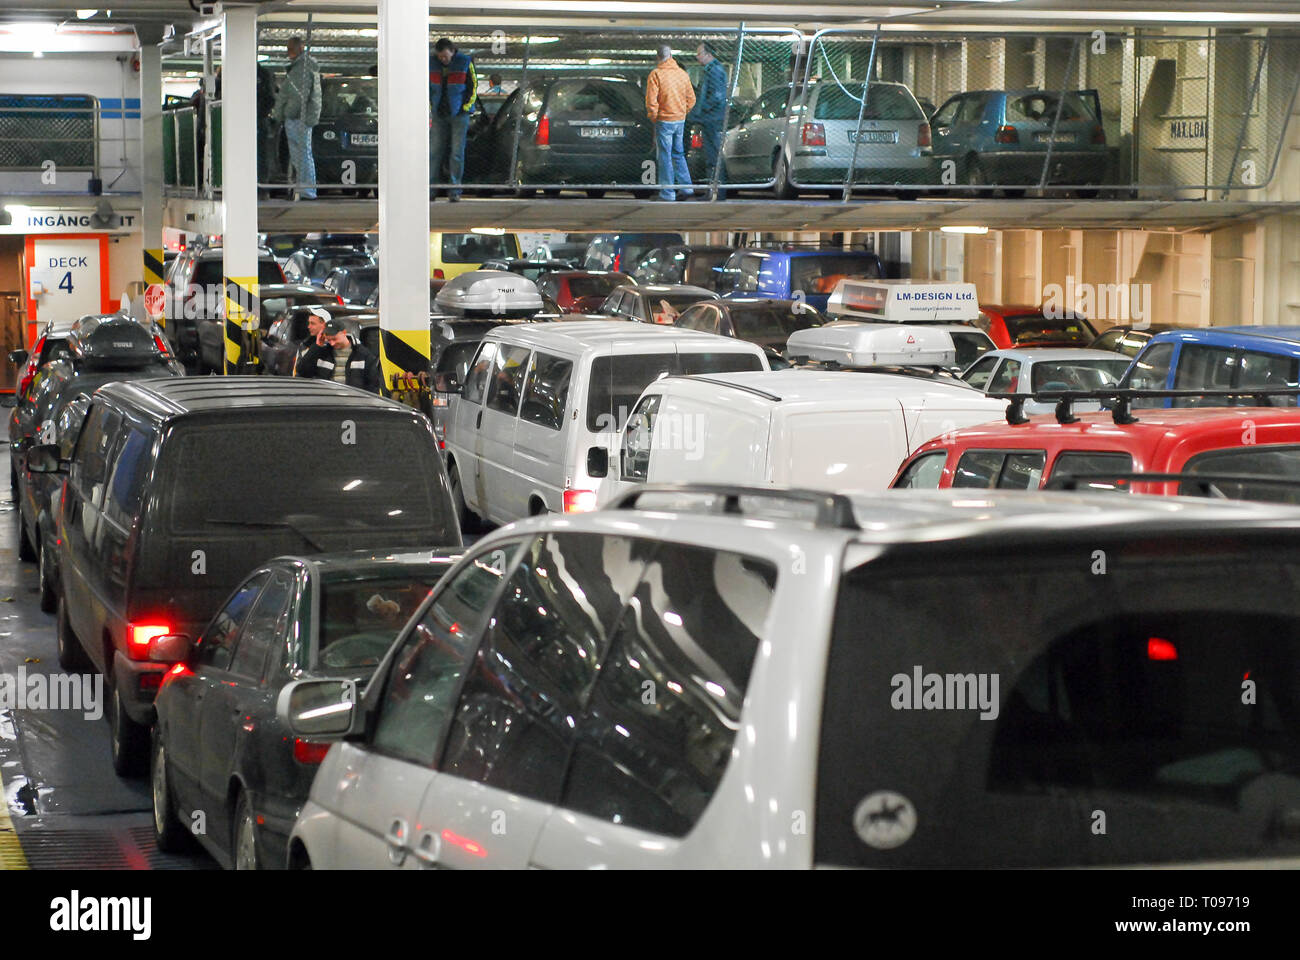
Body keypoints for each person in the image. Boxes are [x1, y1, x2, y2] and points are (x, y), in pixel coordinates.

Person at [272, 36, 322, 200]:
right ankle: (307, 189)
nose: (288, 52)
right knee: (303, 154)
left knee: (300, 155)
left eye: (290, 48)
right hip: (302, 118)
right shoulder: (305, 68)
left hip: (297, 119)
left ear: (299, 49)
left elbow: (297, 97)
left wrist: (285, 113)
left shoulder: (301, 70)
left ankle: (307, 190)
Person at [645, 44, 696, 201]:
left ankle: (668, 193)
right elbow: (691, 99)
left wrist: (654, 117)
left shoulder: (656, 74)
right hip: (679, 120)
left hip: (664, 120)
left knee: (665, 156)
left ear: (657, 57)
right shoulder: (682, 74)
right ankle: (687, 188)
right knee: (678, 154)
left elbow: (651, 101)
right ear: (671, 55)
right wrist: (682, 112)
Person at [429, 37, 478, 202]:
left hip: (459, 114)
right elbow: (426, 87)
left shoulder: (465, 62)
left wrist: (465, 107)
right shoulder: (431, 63)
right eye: (440, 56)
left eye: (445, 56)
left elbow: (473, 87)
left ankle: (454, 190)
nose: (443, 59)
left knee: (457, 153)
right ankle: (431, 189)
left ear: (452, 51)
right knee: (434, 151)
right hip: (438, 113)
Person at [686, 41, 728, 200]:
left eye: (699, 54)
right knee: (712, 154)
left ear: (709, 54)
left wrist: (701, 110)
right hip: (712, 117)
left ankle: (716, 192)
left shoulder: (714, 71)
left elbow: (717, 96)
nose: (697, 57)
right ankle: (715, 191)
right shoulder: (712, 70)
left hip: (712, 118)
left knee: (713, 155)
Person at [295, 318, 382, 392]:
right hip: (327, 401)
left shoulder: (362, 354)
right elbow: (302, 372)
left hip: (353, 403)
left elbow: (373, 384)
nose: (332, 343)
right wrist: (317, 346)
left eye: (335, 339)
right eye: (329, 340)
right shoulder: (321, 353)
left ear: (344, 332)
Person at [291, 307, 329, 376]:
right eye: (309, 323)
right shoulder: (305, 345)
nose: (309, 326)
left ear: (324, 325)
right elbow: (297, 372)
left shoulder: (333, 345)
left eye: (313, 323)